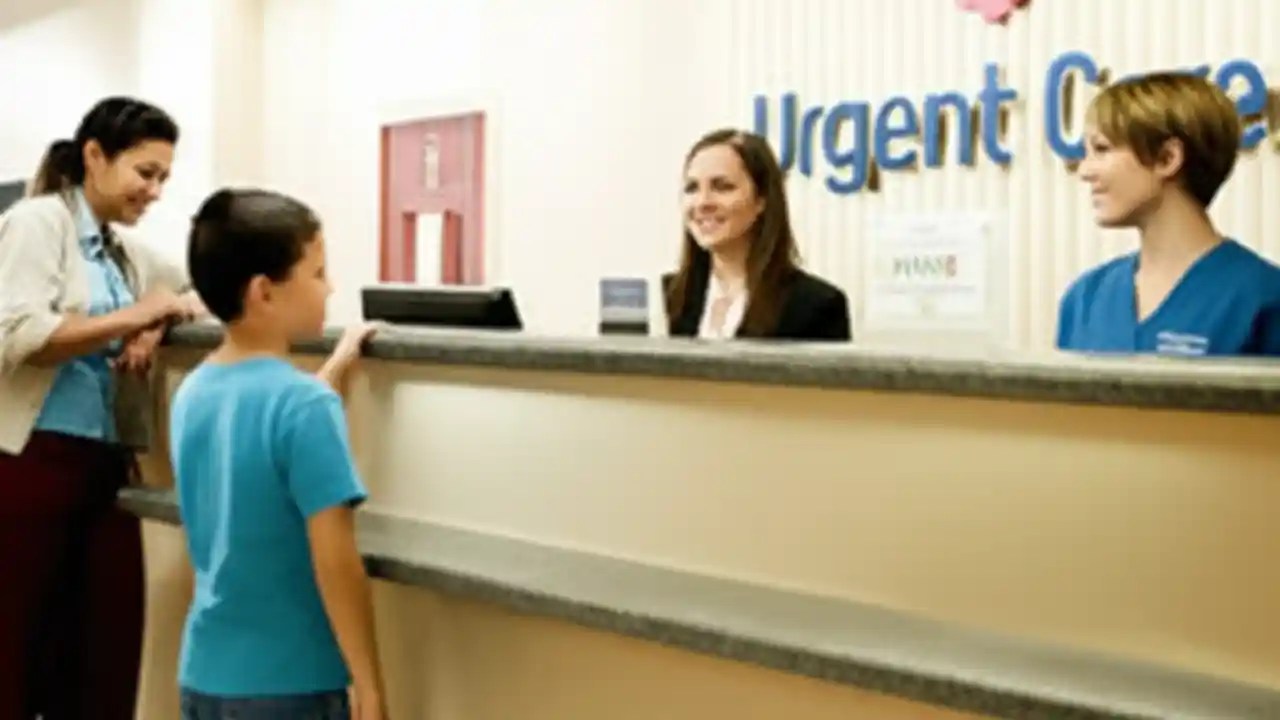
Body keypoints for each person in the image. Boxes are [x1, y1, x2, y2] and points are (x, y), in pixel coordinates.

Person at [0, 96, 199, 720]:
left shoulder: (124, 252)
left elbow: (198, 287)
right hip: (32, 464)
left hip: (106, 466)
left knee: (102, 651)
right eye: (145, 173)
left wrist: (159, 319)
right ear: (94, 156)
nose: (156, 190)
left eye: (164, 177)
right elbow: (18, 336)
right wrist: (131, 315)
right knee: (15, 649)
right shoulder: (38, 223)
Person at [171, 188, 388, 720]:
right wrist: (368, 682)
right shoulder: (303, 405)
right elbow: (334, 559)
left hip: (205, 675)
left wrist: (334, 370)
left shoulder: (195, 389)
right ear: (264, 291)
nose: (331, 287)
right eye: (317, 273)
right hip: (291, 682)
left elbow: (264, 427)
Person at [1057, 72, 1280, 355]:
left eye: (1102, 149)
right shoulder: (1085, 300)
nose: (1085, 171)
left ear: (1167, 159)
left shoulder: (1262, 299)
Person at [664, 128, 852, 341]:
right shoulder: (666, 299)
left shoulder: (816, 305)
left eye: (723, 187)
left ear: (761, 200)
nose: (703, 202)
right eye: (692, 188)